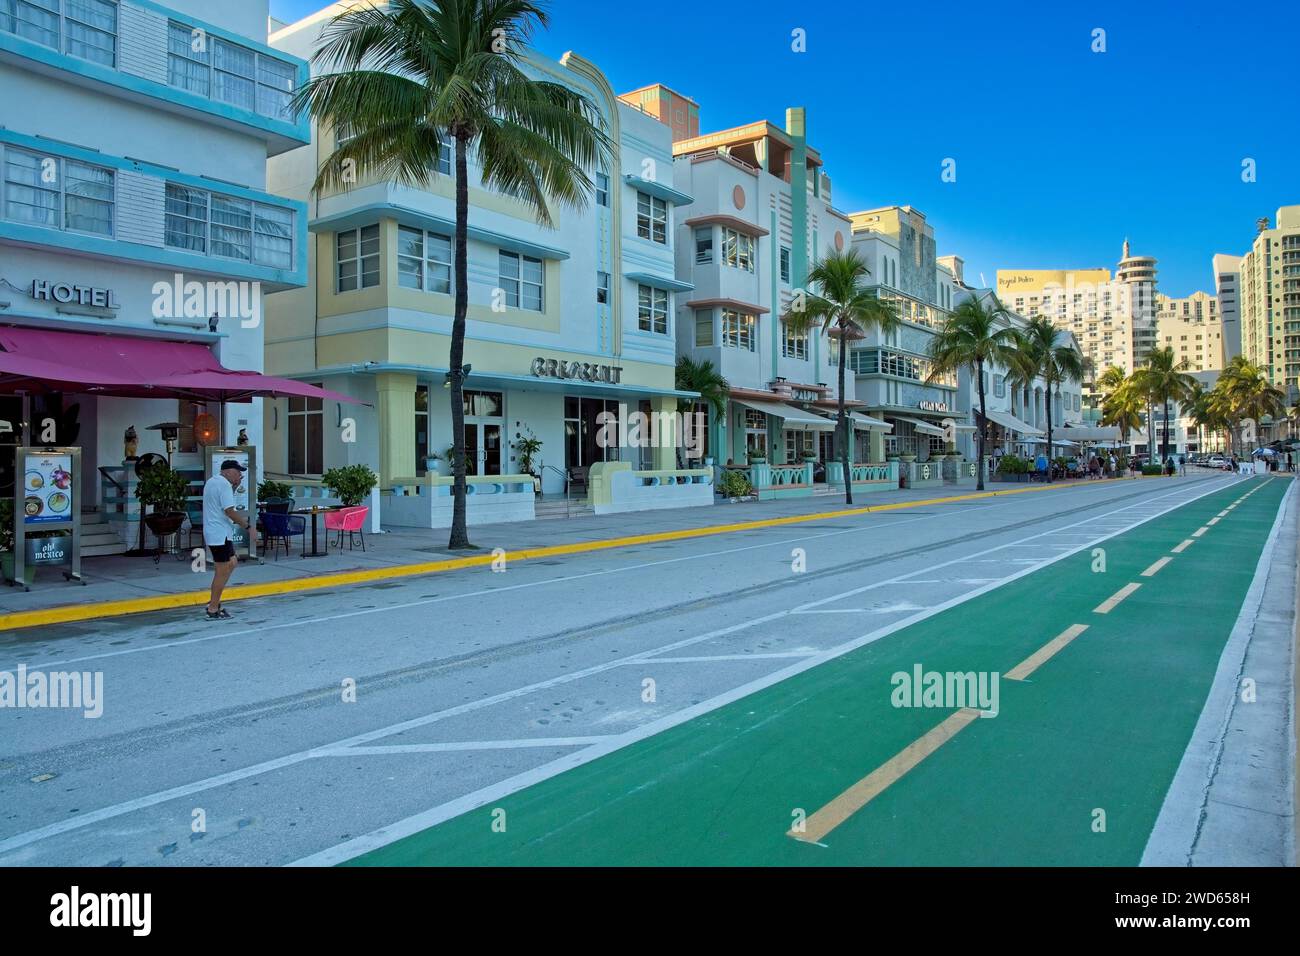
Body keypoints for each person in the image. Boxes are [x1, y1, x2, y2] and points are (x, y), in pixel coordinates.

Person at [203, 459, 255, 620]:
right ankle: (213, 607)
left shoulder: (212, 482)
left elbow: (222, 503)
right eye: (237, 471)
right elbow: (230, 511)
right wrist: (248, 527)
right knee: (222, 570)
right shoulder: (223, 484)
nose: (240, 475)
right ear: (227, 472)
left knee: (232, 563)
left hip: (218, 532)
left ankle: (214, 599)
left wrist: (234, 487)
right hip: (219, 534)